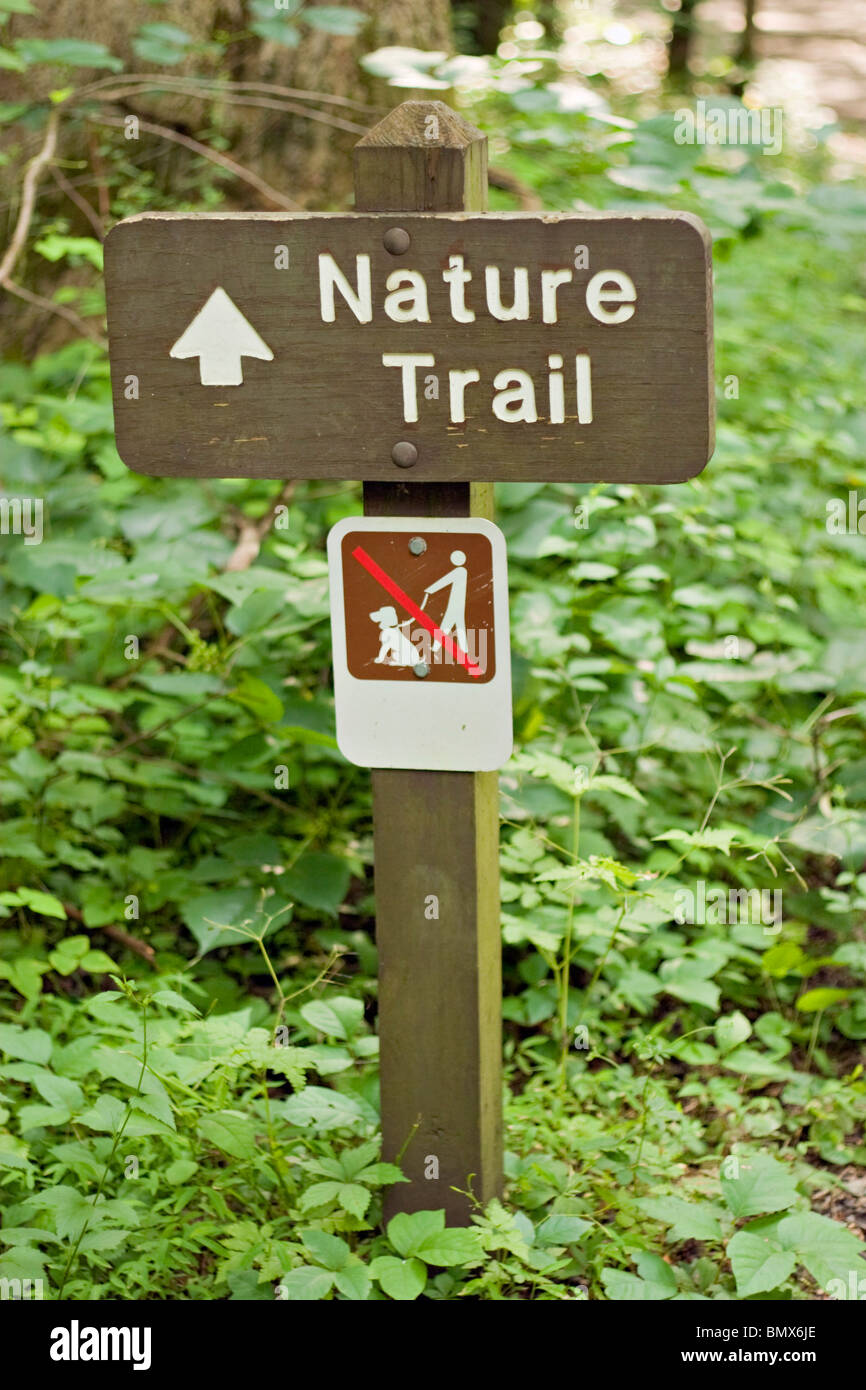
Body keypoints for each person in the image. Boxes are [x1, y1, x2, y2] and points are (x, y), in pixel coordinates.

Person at [424, 550, 469, 657]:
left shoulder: (460, 571)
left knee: (447, 625)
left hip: (455, 604)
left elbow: (445, 580)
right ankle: (464, 649)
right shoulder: (461, 571)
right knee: (457, 626)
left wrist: (430, 589)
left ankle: (435, 647)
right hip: (456, 604)